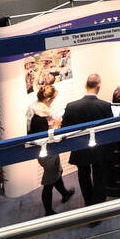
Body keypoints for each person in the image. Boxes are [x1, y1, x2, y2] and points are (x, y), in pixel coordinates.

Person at [60, 74, 114, 208]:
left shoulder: (71, 106)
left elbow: (64, 129)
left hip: (80, 149)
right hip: (99, 150)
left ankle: (88, 204)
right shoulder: (105, 106)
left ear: (85, 85)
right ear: (99, 86)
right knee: (99, 177)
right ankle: (98, 207)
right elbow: (110, 130)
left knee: (83, 176)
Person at [27, 83, 75, 216]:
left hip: (47, 151)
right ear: (48, 99)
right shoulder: (40, 119)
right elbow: (45, 138)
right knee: (49, 181)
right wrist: (55, 126)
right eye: (53, 99)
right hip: (46, 152)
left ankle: (64, 193)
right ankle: (48, 211)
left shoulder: (35, 109)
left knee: (56, 172)